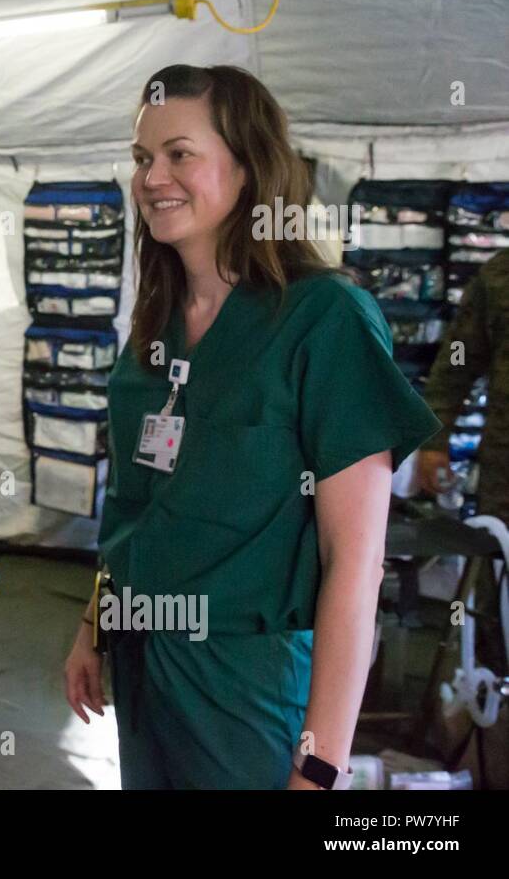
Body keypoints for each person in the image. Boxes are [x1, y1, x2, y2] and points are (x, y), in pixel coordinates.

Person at [63, 66, 441, 789]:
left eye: (180, 154)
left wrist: (322, 760)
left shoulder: (323, 321)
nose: (152, 177)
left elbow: (353, 562)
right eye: (143, 158)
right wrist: (93, 626)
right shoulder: (154, 329)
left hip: (246, 680)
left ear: (248, 165)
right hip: (144, 662)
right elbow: (138, 511)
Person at [419, 249, 509, 520]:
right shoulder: (499, 274)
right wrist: (434, 440)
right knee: (497, 550)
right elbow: (457, 358)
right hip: (504, 468)